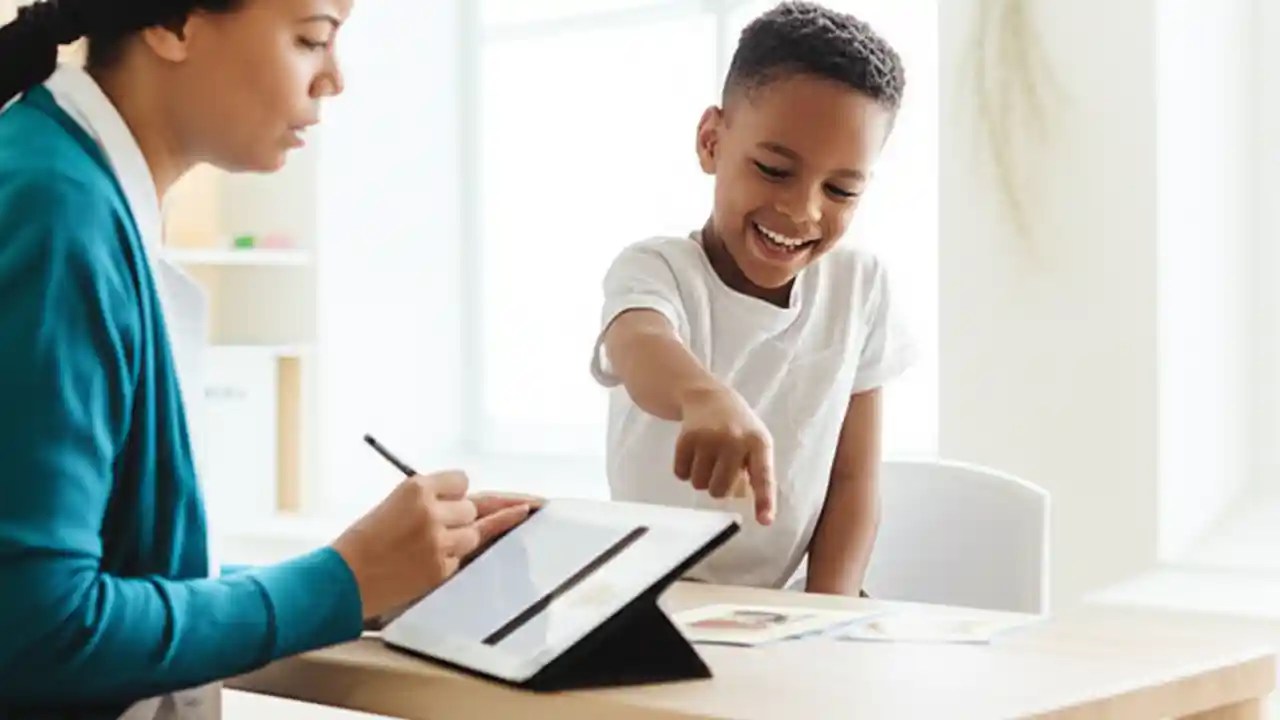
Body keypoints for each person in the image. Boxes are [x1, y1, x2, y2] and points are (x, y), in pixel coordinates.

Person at [0, 2, 532, 718]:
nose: (334, 79)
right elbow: (38, 629)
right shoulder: (59, 211)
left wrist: (372, 578)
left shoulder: (70, 181)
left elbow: (114, 580)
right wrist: (341, 582)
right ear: (173, 24)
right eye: (312, 39)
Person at [591, 1, 915, 596]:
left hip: (783, 611)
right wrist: (703, 396)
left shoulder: (859, 288)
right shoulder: (656, 269)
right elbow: (640, 344)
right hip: (651, 600)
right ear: (712, 141)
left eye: (841, 189)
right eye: (772, 169)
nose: (803, 210)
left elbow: (852, 484)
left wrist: (828, 612)